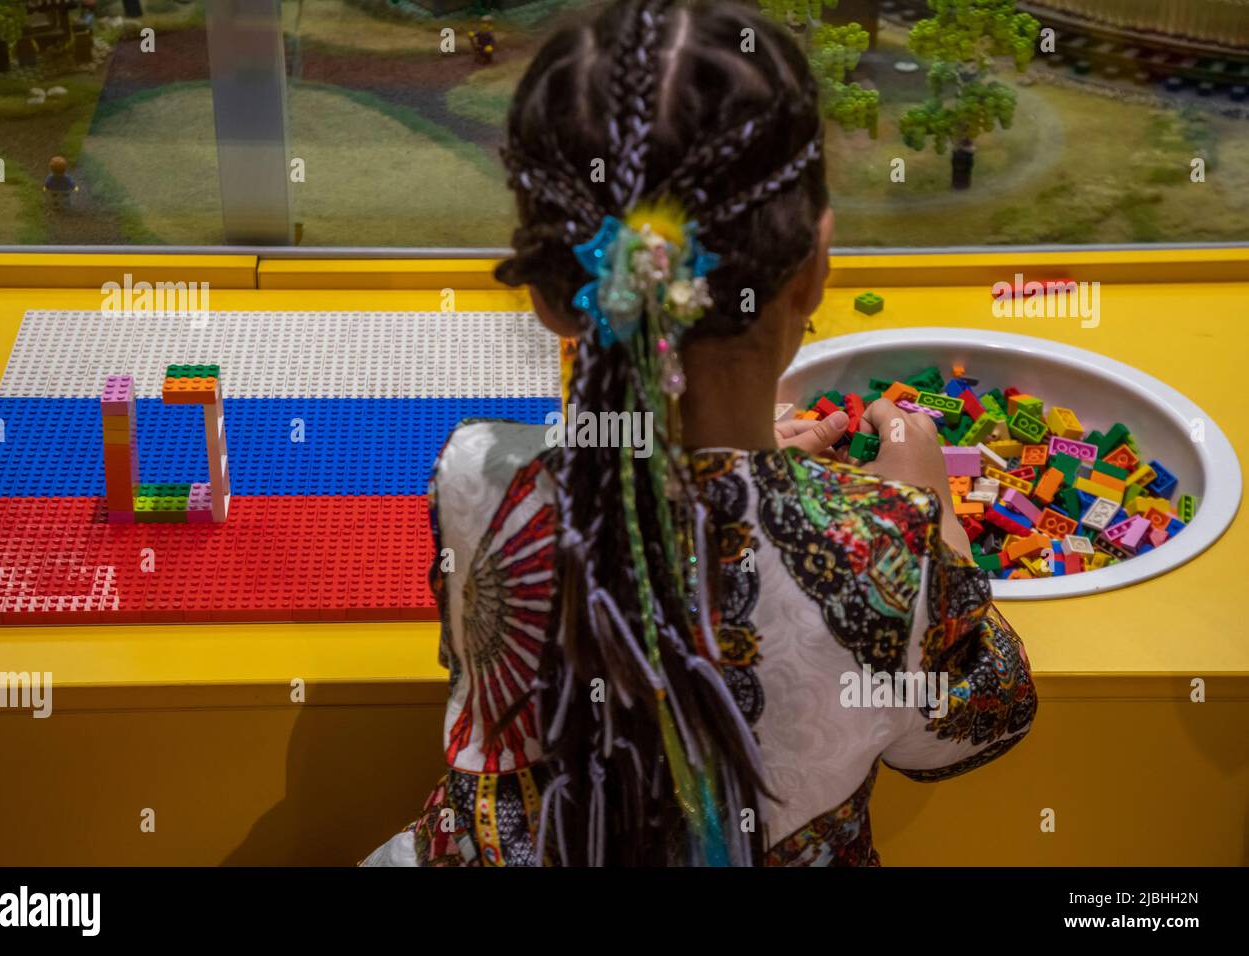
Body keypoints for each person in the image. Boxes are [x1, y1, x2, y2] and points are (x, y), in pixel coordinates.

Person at [363, 0, 1035, 867]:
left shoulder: (476, 476)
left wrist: (733, 485)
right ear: (818, 265)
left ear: (549, 290)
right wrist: (926, 510)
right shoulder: (887, 554)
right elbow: (984, 717)